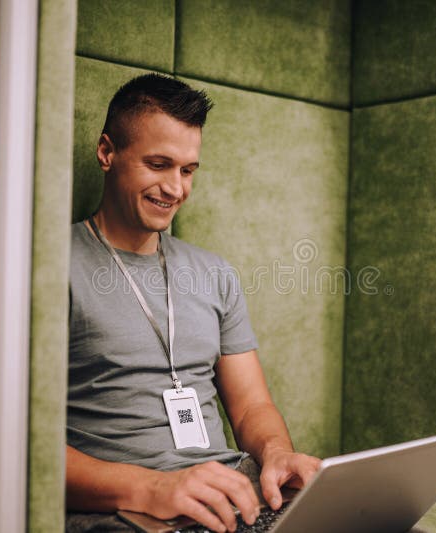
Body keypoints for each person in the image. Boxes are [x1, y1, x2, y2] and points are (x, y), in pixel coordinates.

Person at [66, 74, 320, 533]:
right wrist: (152, 489)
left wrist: (277, 453)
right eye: (159, 164)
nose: (176, 188)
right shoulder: (49, 267)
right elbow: (22, 445)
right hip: (122, 512)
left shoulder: (215, 273)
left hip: (229, 493)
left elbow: (250, 409)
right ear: (107, 152)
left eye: (187, 170)